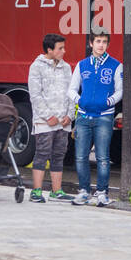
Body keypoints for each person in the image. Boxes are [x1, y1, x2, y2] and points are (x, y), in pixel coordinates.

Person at [67, 28, 122, 206]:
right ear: (91, 43)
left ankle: (102, 193)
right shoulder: (82, 65)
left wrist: (108, 102)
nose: (101, 45)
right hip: (83, 117)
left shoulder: (116, 65)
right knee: (81, 156)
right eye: (98, 41)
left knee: (103, 157)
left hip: (104, 117)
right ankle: (84, 192)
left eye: (104, 42)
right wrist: (80, 101)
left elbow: (120, 90)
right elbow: (71, 89)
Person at [27, 33, 74, 203]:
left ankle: (56, 191)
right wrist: (49, 117)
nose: (63, 51)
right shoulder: (36, 67)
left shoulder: (67, 68)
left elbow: (71, 92)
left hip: (63, 122)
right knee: (42, 153)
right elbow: (35, 95)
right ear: (49, 50)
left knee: (59, 154)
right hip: (44, 121)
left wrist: (70, 115)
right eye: (60, 48)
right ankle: (36, 191)